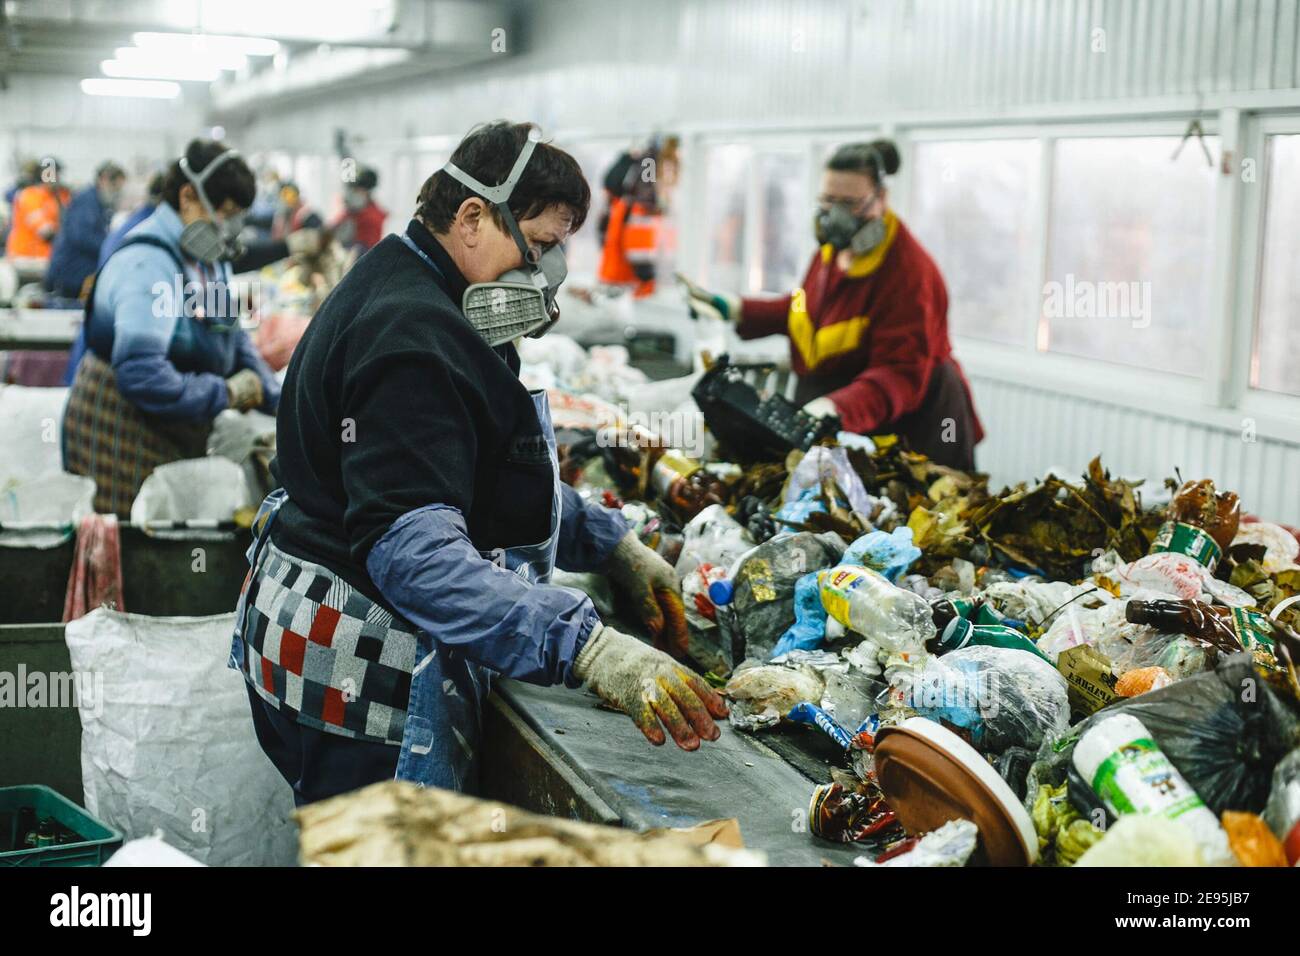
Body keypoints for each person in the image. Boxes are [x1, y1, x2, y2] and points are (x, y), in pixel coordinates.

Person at [230, 121, 726, 805]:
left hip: (308, 624)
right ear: (472, 217)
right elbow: (415, 557)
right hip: (354, 666)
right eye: (542, 246)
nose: (547, 275)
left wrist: (610, 544)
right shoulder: (410, 336)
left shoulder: (421, 286)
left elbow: (478, 465)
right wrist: (584, 647)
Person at [683, 140, 984, 470]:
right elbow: (804, 312)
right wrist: (734, 308)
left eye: (850, 203)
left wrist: (834, 409)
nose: (836, 216)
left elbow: (897, 374)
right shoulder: (831, 253)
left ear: (881, 199)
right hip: (843, 416)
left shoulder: (909, 274)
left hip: (914, 431)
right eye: (828, 200)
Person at [62, 139, 280, 516]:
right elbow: (142, 374)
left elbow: (228, 334)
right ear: (187, 196)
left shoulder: (208, 260)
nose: (229, 229)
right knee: (139, 544)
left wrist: (276, 397)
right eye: (224, 214)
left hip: (176, 419)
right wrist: (225, 393)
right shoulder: (148, 263)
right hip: (122, 425)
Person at [46, 162, 126, 299]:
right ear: (104, 179)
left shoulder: (99, 204)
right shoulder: (86, 202)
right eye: (115, 188)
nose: (116, 194)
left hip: (79, 271)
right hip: (71, 272)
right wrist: (112, 247)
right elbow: (81, 236)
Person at [4, 157, 70, 262]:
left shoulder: (57, 196)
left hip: (45, 257)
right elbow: (45, 232)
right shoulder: (30, 196)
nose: (58, 178)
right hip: (25, 258)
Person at [330, 165, 386, 252]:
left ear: (366, 191)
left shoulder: (371, 216)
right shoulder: (354, 211)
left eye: (356, 190)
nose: (352, 193)